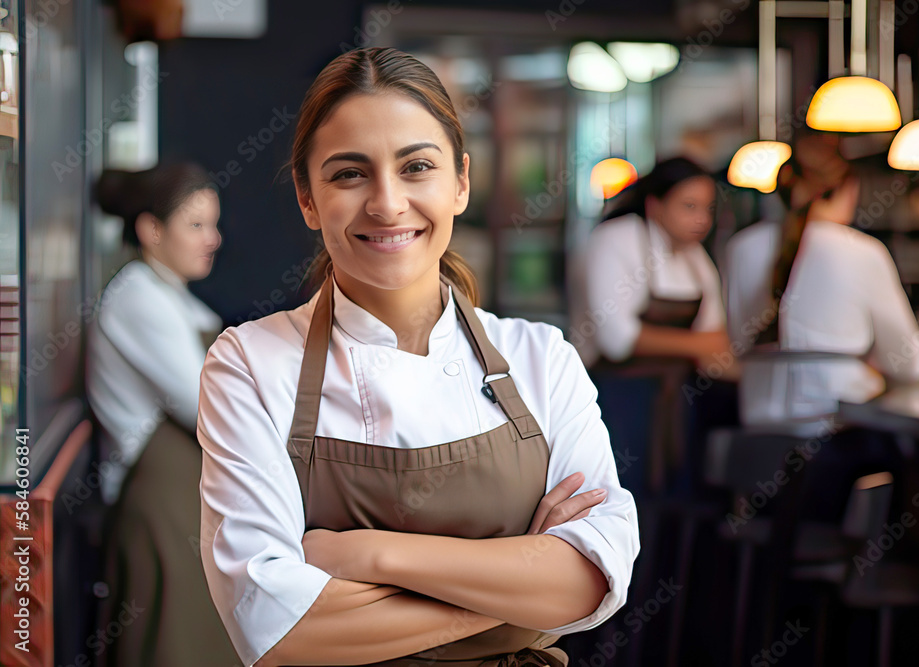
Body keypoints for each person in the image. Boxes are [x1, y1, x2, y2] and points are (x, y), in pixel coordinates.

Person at [196, 47, 639, 667]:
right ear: (307, 199)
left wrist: (369, 555)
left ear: (460, 181)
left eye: (416, 168)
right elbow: (273, 630)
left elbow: (595, 578)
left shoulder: (542, 358)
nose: (386, 203)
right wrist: (524, 593)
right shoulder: (248, 363)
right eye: (349, 174)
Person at [87, 163, 239, 665]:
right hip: (159, 505)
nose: (212, 238)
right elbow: (206, 407)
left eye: (213, 224)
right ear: (152, 230)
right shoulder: (136, 298)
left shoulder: (170, 295)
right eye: (195, 225)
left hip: (186, 497)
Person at [725, 132, 919, 426]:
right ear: (845, 189)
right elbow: (909, 363)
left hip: (757, 422)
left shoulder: (740, 248)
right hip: (837, 429)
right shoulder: (862, 251)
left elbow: (736, 340)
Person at [575, 157, 734, 499]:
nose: (702, 219)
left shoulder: (696, 258)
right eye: (689, 206)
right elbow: (617, 340)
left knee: (677, 502)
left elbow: (717, 339)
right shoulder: (616, 239)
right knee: (622, 499)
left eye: (707, 208)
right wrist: (697, 345)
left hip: (678, 402)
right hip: (620, 399)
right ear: (655, 204)